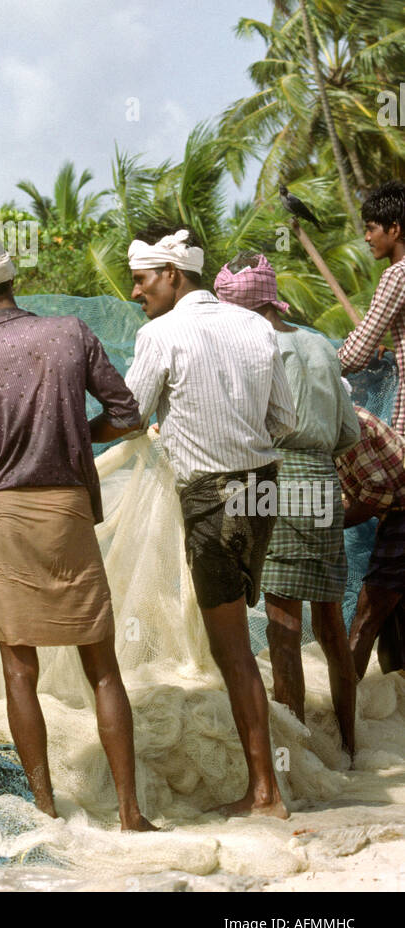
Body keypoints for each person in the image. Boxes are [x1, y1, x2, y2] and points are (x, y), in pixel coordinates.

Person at [0, 251, 154, 832]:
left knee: (18, 670)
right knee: (102, 667)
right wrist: (77, 433)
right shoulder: (69, 333)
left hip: (4, 514)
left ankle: (44, 806)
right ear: (12, 283)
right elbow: (127, 414)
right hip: (68, 512)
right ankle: (130, 813)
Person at [125, 227, 296, 820]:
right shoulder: (254, 325)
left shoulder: (160, 334)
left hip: (212, 498)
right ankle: (267, 783)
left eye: (142, 279)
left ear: (172, 273)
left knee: (233, 653)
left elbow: (129, 413)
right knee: (240, 637)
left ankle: (265, 793)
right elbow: (284, 419)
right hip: (262, 489)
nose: (135, 292)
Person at [214, 252, 360, 757]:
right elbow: (349, 432)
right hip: (324, 479)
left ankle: (293, 758)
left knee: (283, 626)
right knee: (330, 619)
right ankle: (350, 745)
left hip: (280, 481)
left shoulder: (254, 347)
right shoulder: (320, 345)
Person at [336, 405, 405, 679]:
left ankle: (346, 709)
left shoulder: (350, 427)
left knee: (366, 620)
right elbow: (358, 494)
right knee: (393, 624)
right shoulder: (338, 428)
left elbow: (377, 493)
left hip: (400, 517)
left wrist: (328, 525)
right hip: (394, 518)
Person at [338, 181, 405, 435]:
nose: (366, 238)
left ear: (395, 229)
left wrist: (323, 366)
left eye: (371, 229)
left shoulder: (397, 274)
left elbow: (356, 352)